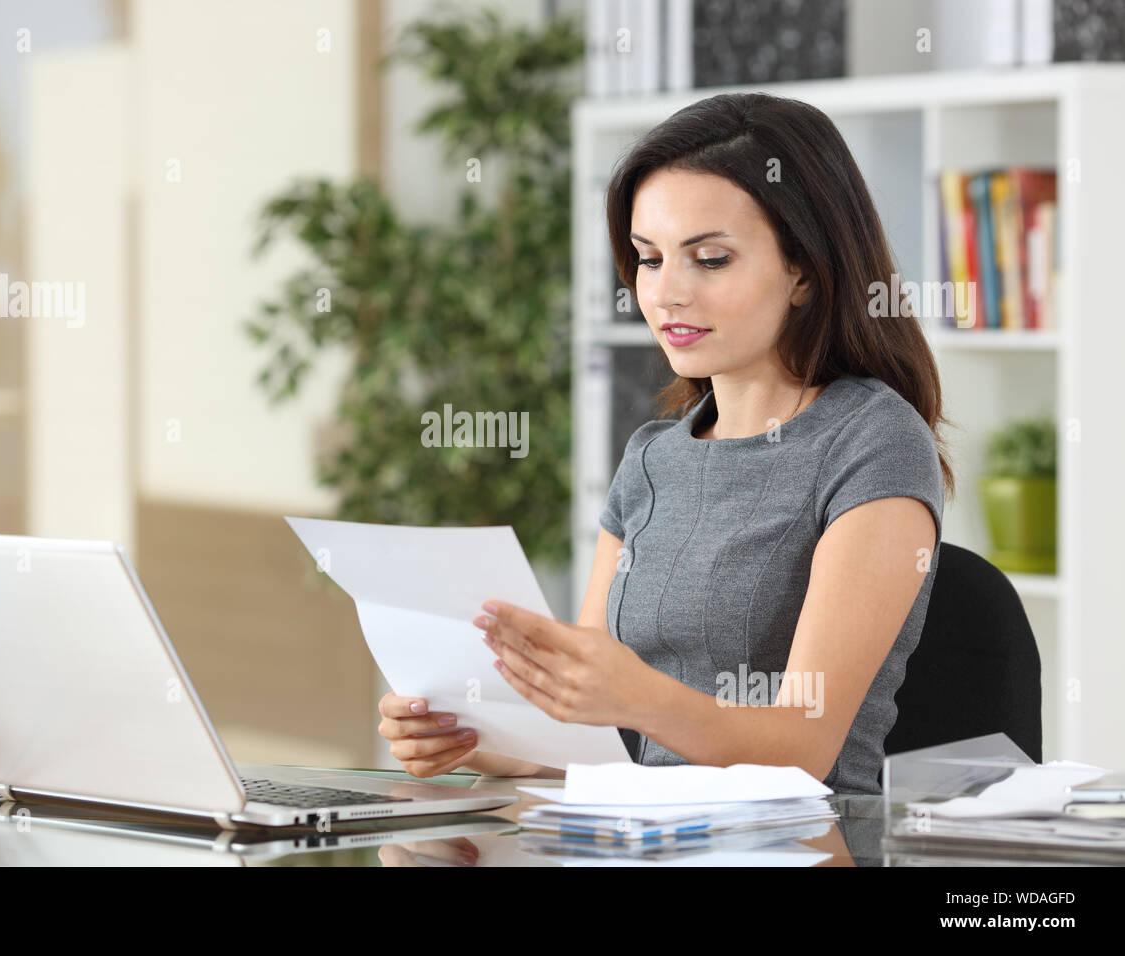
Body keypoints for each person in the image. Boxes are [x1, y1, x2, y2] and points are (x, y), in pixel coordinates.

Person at [378, 92, 955, 794]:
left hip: (800, 841)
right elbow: (593, 741)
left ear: (803, 270)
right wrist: (471, 738)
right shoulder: (652, 458)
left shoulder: (872, 441)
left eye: (709, 259)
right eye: (650, 260)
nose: (666, 294)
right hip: (644, 836)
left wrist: (636, 696)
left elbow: (804, 746)